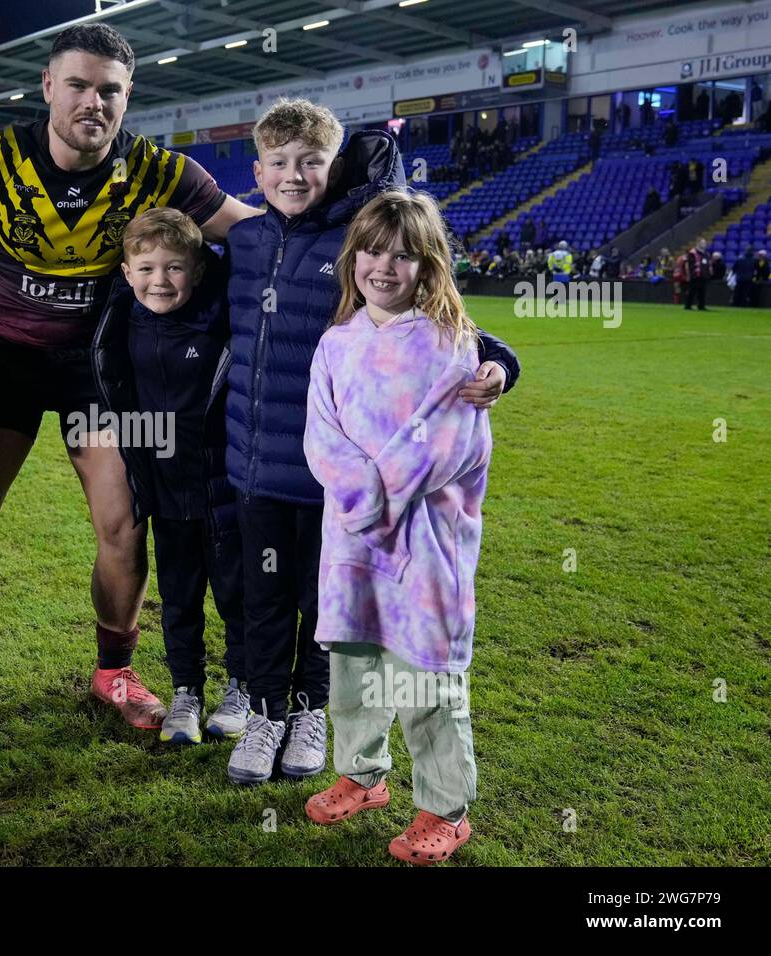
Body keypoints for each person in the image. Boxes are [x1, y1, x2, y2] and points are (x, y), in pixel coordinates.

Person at [0, 23, 261, 749]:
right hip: (4, 372)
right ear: (47, 88)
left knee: (122, 525)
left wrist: (347, 235)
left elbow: (252, 234)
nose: (94, 101)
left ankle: (114, 671)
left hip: (103, 378)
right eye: (78, 85)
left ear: (127, 96)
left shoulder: (159, 170)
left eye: (109, 90)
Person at [221, 99, 519, 786]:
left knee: (331, 608)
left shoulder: (359, 241)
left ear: (333, 169)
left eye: (310, 164)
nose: (294, 177)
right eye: (279, 165)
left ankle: (310, 713)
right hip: (257, 468)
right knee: (260, 603)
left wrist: (502, 364)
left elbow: (450, 325)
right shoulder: (242, 243)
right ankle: (266, 714)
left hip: (334, 486)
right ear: (258, 173)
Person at [301, 189, 492, 865]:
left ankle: (446, 807)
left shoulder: (452, 345)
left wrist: (378, 496)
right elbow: (321, 436)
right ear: (354, 257)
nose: (385, 267)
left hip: (424, 543)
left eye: (404, 256)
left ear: (429, 267)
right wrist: (357, 498)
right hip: (351, 542)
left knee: (422, 675)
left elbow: (454, 441)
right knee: (354, 664)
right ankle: (362, 773)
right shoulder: (334, 343)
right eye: (374, 251)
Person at [93, 208, 248, 744]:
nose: (160, 280)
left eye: (175, 268)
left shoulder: (218, 310)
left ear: (199, 271)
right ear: (126, 272)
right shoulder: (120, 315)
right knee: (179, 596)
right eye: (147, 268)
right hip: (164, 484)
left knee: (235, 592)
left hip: (222, 481)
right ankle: (185, 690)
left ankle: (241, 688)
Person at [684, 238, 711, 310]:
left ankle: (701, 306)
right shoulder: (692, 253)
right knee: (692, 291)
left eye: (705, 243)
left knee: (702, 292)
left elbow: (707, 264)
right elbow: (689, 265)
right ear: (698, 243)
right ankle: (688, 306)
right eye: (703, 243)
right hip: (695, 275)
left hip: (703, 275)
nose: (705, 244)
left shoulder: (706, 254)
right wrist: (690, 275)